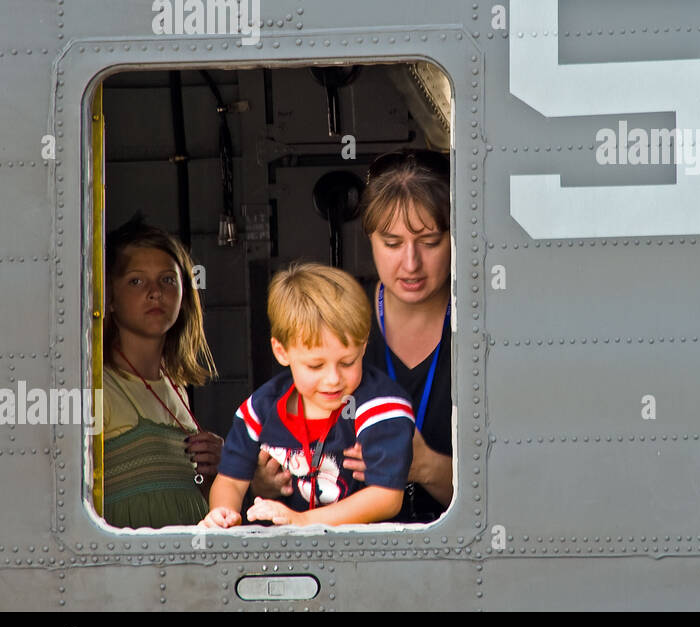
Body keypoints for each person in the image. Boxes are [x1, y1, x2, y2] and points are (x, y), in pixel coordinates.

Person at [253, 148, 453, 522]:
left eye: (429, 242)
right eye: (392, 243)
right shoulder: (329, 322)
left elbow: (524, 493)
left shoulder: (487, 332)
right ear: (369, 238)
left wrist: (428, 467)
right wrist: (268, 482)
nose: (411, 263)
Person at [200, 262, 414, 527]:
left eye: (348, 362)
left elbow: (386, 497)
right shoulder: (259, 409)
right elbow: (230, 481)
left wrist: (302, 521)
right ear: (281, 352)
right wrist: (223, 513)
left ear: (364, 346)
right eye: (315, 365)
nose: (333, 379)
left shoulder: (380, 405)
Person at [101, 215, 224, 528]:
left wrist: (219, 467)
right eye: (136, 281)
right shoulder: (98, 386)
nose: (155, 292)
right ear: (110, 298)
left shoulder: (176, 387)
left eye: (168, 280)